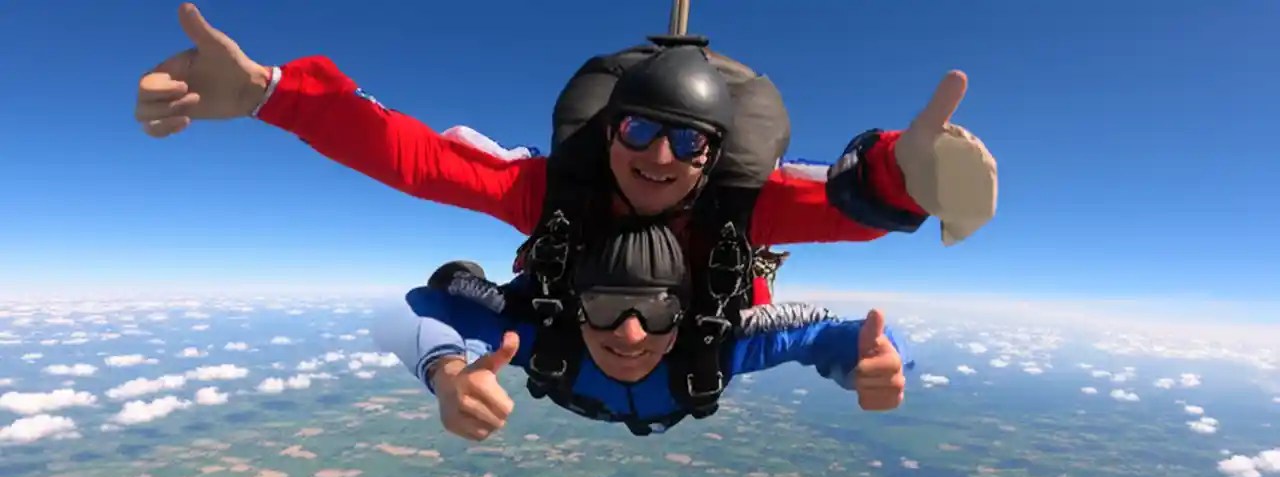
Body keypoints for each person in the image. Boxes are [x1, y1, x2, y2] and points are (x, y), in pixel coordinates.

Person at [134, 4, 999, 304]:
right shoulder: (552, 191)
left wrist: (910, 177)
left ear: (713, 155)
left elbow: (843, 207)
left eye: (688, 141)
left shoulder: (740, 204)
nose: (659, 156)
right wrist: (270, 92)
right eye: (638, 130)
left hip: (693, 330)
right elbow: (413, 159)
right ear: (608, 131)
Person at [372, 223, 912, 440]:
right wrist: (446, 372)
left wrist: (883, 359)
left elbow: (829, 334)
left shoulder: (715, 341)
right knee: (458, 279)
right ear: (576, 307)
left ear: (686, 314)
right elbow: (412, 309)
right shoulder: (541, 331)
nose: (630, 335)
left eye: (656, 311)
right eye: (606, 306)